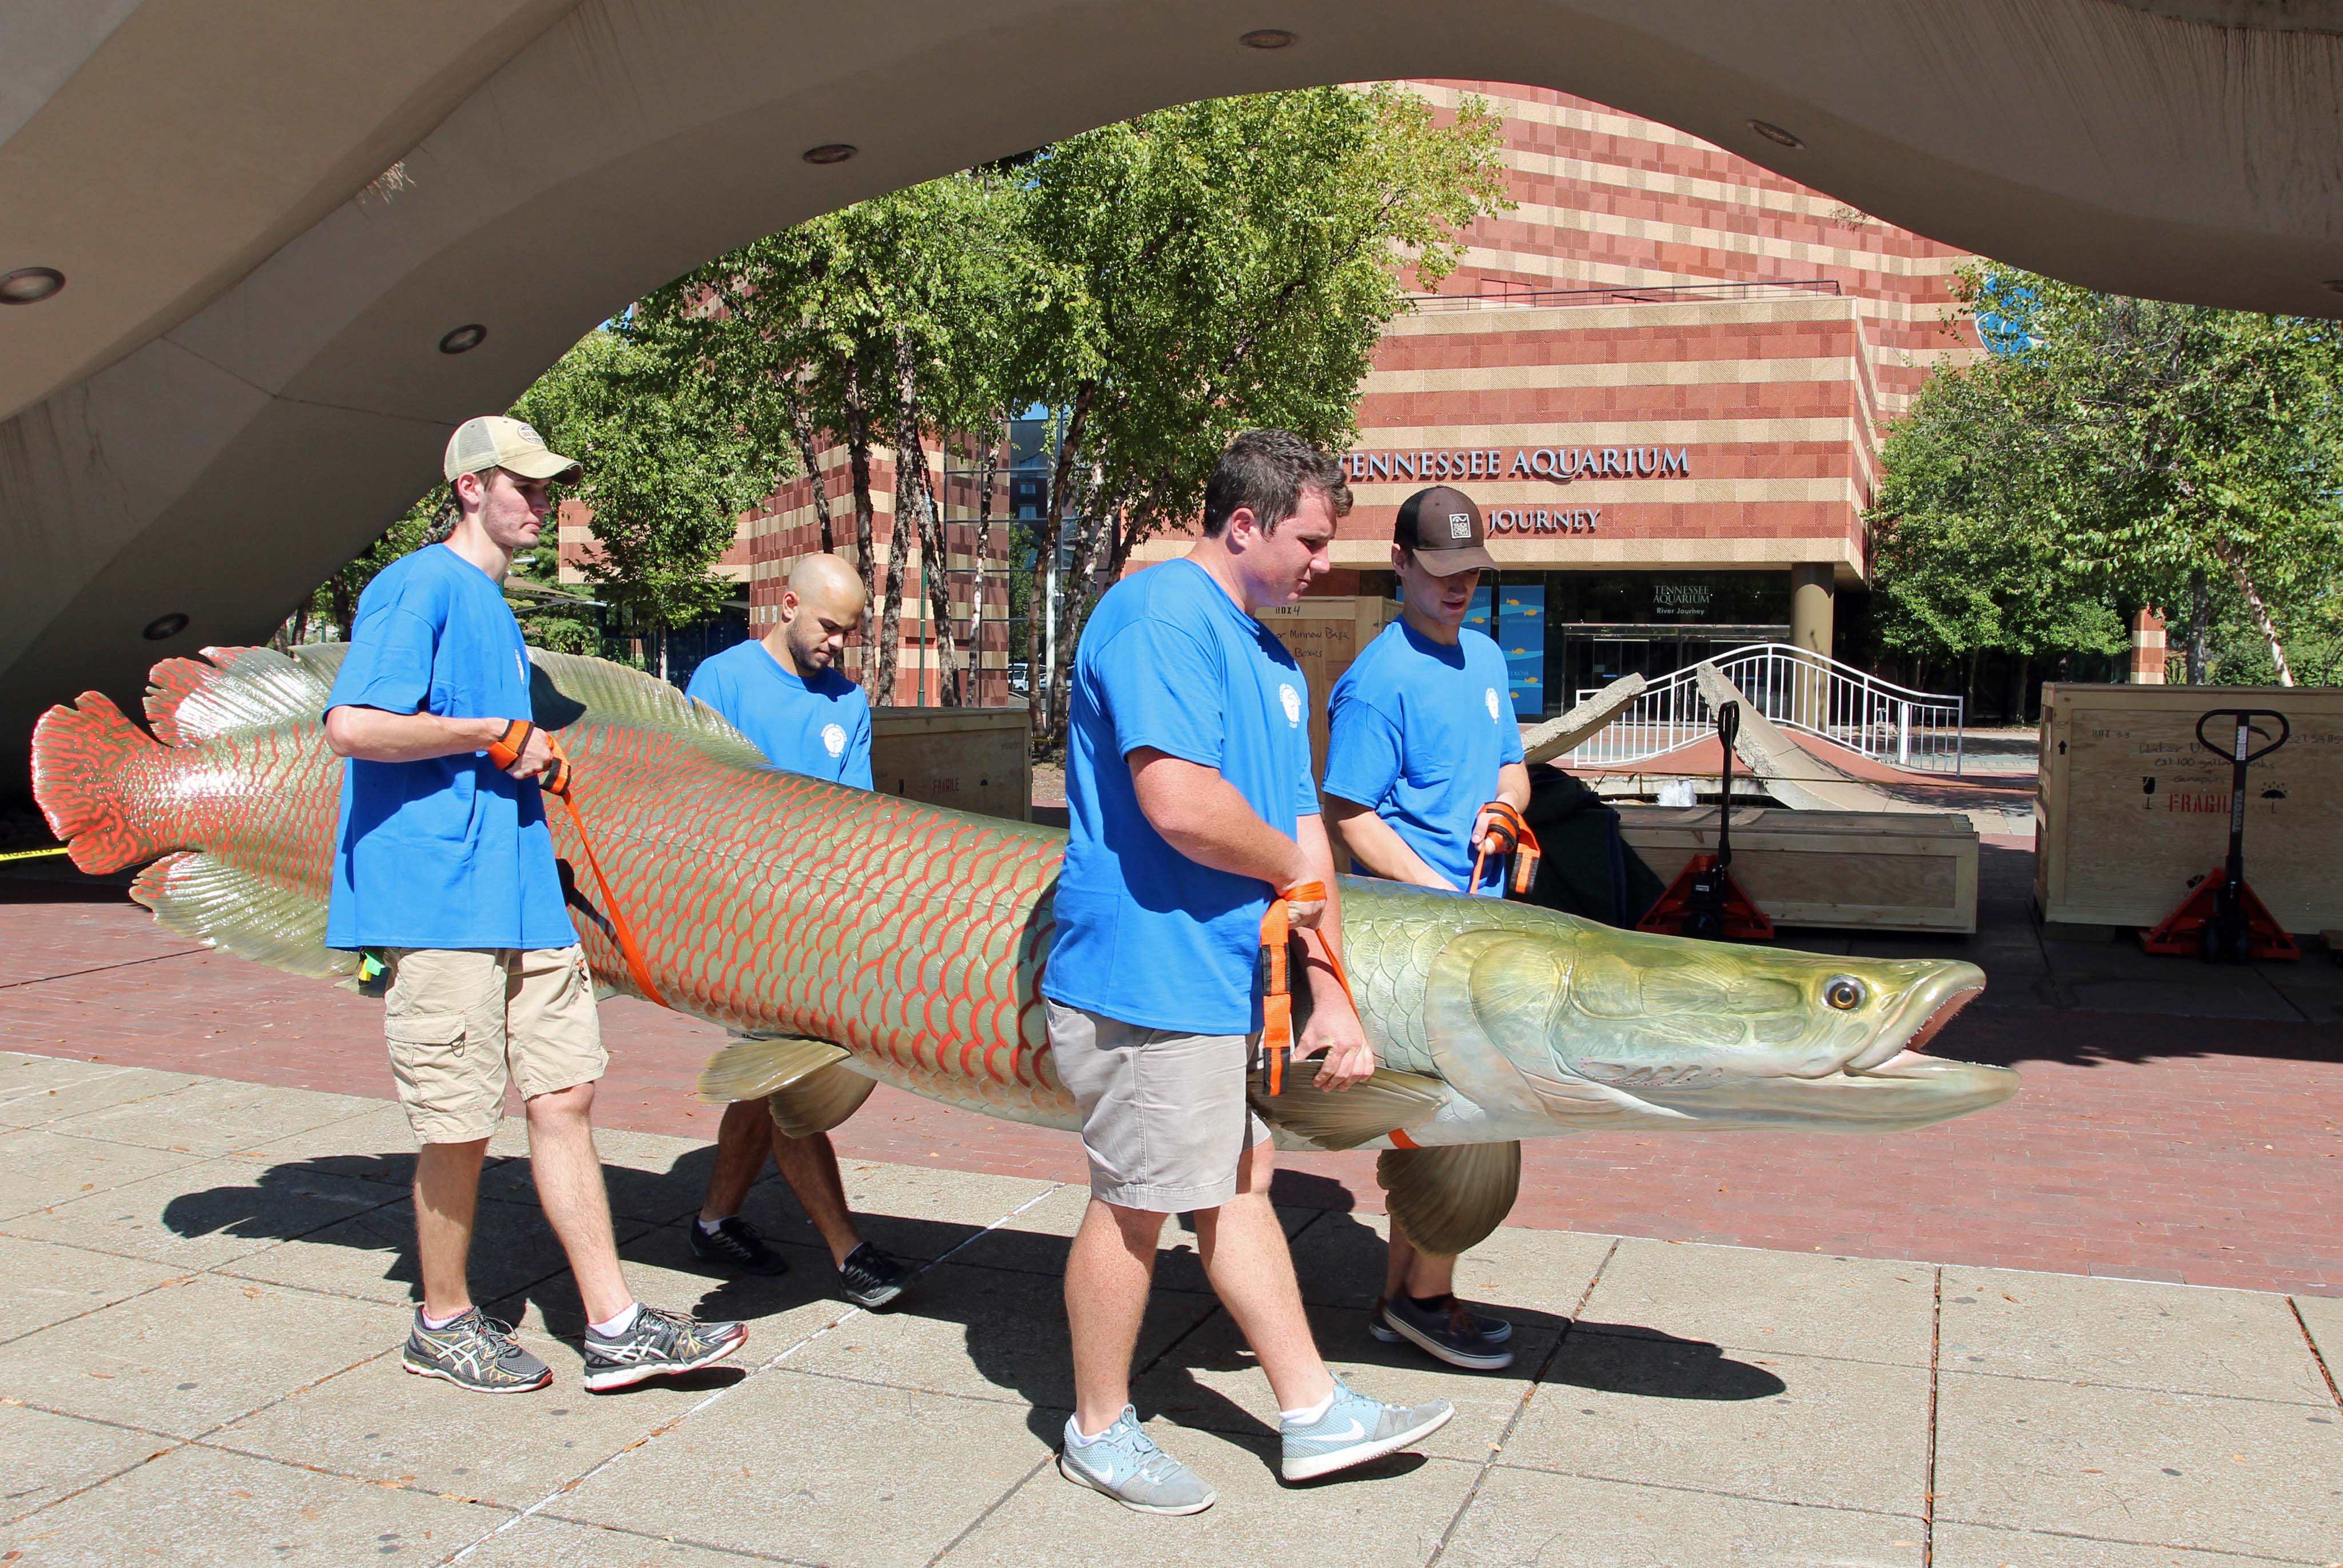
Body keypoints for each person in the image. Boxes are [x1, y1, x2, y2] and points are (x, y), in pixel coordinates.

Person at [1044, 429, 1454, 1515]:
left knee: (1237, 1186)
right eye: (1311, 541)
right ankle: (1097, 1428)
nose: (1326, 561)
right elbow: (1180, 803)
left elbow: (1304, 832)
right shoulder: (1159, 618)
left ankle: (1313, 1411)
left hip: (1218, 979)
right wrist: (1290, 869)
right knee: (1137, 1204)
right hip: (1146, 973)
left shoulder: (1268, 657)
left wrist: (1332, 990)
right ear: (1243, 523)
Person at [323, 415, 745, 1395]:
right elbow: (352, 726)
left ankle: (615, 1326)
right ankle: (441, 1322)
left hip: (520, 896)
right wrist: (491, 732)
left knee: (565, 1095)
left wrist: (528, 752)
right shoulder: (419, 584)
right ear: (470, 487)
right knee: (459, 1120)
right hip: (441, 903)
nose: (543, 503)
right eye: (526, 485)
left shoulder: (494, 607)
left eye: (548, 487)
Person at [1323, 484, 1529, 1372]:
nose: (1459, 585)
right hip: (1420, 943)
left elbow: (1514, 765)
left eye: (1471, 569)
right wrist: (1437, 892)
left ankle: (1402, 1299)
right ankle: (1425, 1301)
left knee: (1440, 1124)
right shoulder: (1377, 681)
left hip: (1477, 935)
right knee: (1472, 1121)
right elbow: (1348, 812)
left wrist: (1507, 809)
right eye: (1442, 568)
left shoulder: (1485, 658)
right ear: (1400, 563)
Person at [678, 552, 916, 1310]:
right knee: (793, 1076)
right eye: (828, 627)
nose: (837, 645)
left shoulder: (848, 702)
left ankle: (714, 1222)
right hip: (743, 930)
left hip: (816, 931)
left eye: (848, 632)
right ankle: (849, 1253)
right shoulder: (721, 681)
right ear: (787, 605)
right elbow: (693, 806)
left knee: (766, 1081)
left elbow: (856, 824)